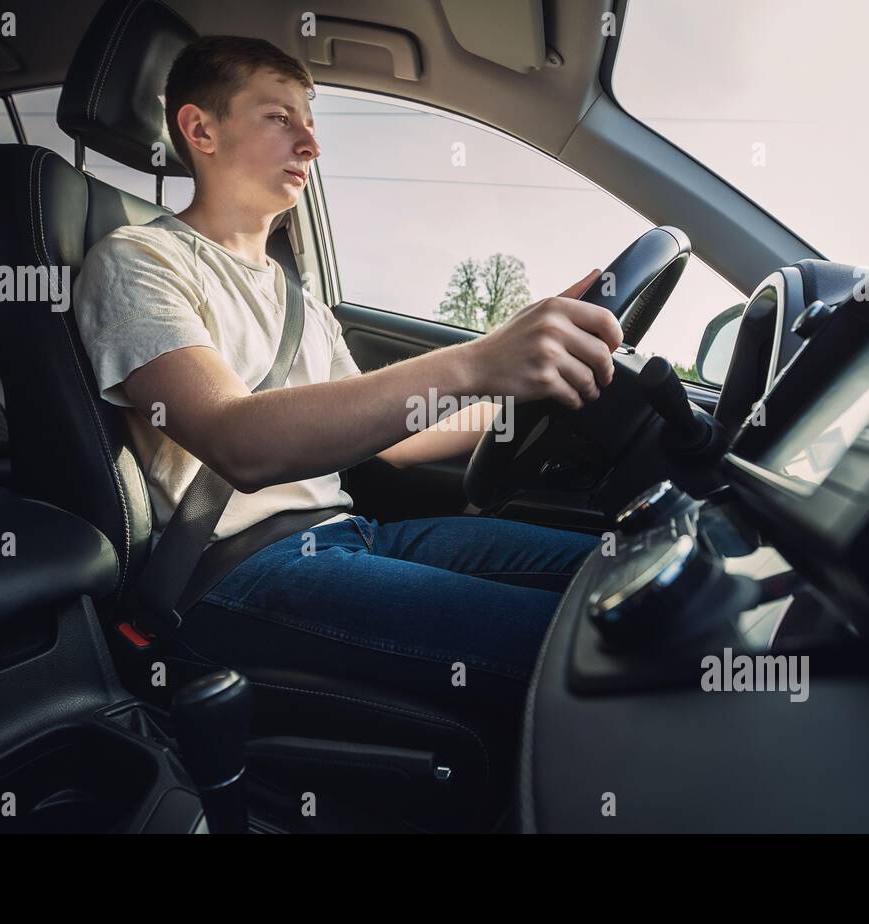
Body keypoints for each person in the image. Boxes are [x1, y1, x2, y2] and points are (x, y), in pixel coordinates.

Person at [74, 36, 622, 708]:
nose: (310, 144)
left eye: (310, 122)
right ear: (199, 129)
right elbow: (237, 441)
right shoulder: (138, 260)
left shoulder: (298, 300)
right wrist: (481, 357)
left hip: (352, 536)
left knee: (619, 576)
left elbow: (401, 439)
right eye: (280, 118)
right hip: (236, 569)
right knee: (601, 646)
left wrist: (528, 388)